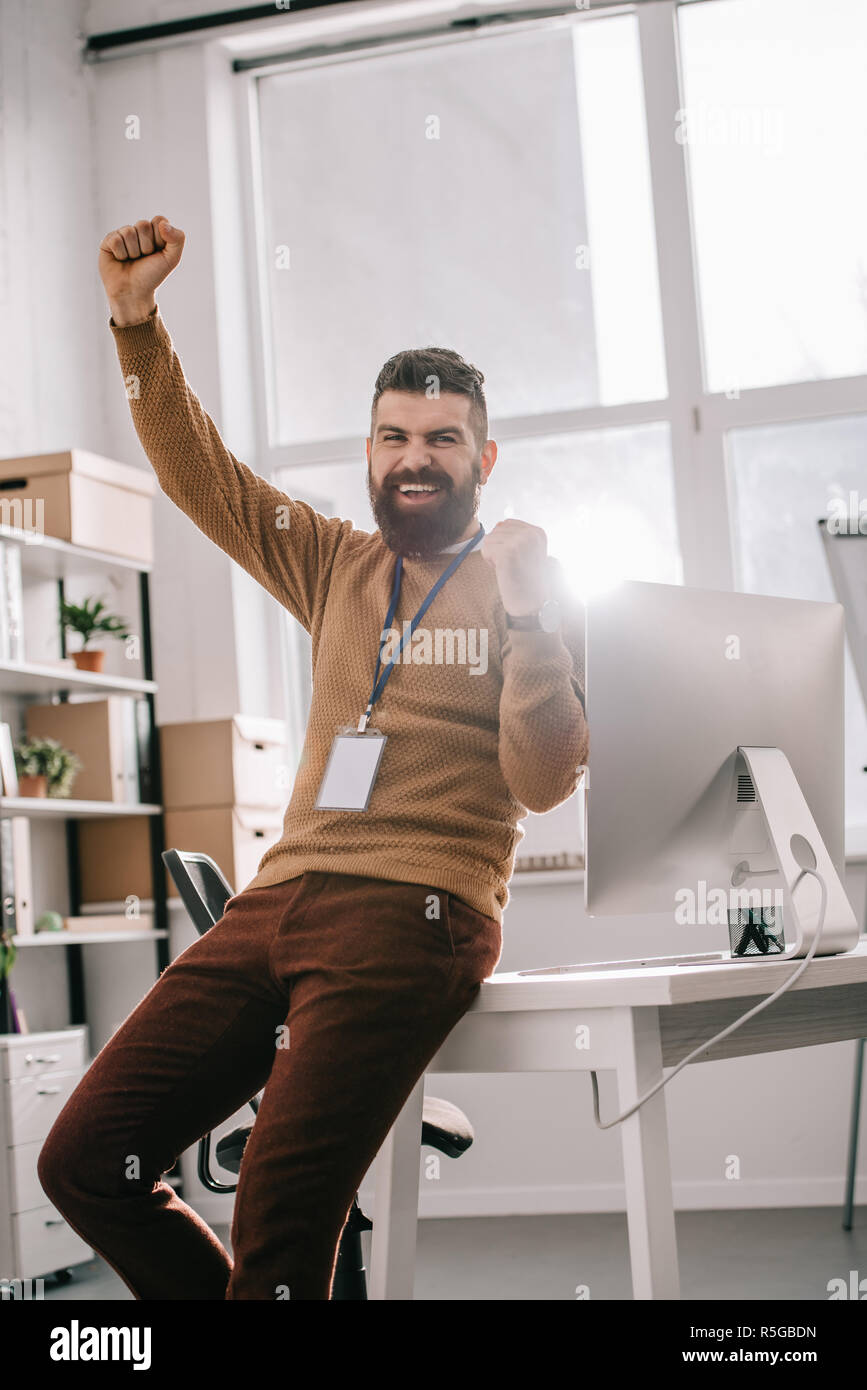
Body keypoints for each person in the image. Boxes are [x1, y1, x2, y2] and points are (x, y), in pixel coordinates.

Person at [38, 215, 589, 1300]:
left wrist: (529, 617)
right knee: (88, 1160)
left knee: (280, 1222)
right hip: (275, 902)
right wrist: (136, 323)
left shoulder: (532, 584)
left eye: (440, 438)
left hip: (417, 908)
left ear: (482, 458)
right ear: (370, 451)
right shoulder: (338, 562)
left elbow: (544, 776)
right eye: (393, 435)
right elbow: (204, 477)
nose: (415, 457)